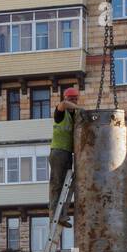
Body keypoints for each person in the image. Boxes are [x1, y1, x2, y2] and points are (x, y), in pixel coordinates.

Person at [49, 86, 81, 226]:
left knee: (66, 185)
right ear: (66, 98)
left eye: (75, 98)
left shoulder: (73, 116)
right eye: (71, 98)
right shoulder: (60, 113)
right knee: (57, 184)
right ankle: (53, 216)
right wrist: (79, 108)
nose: (73, 101)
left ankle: (61, 215)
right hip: (58, 152)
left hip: (67, 153)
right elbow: (63, 104)